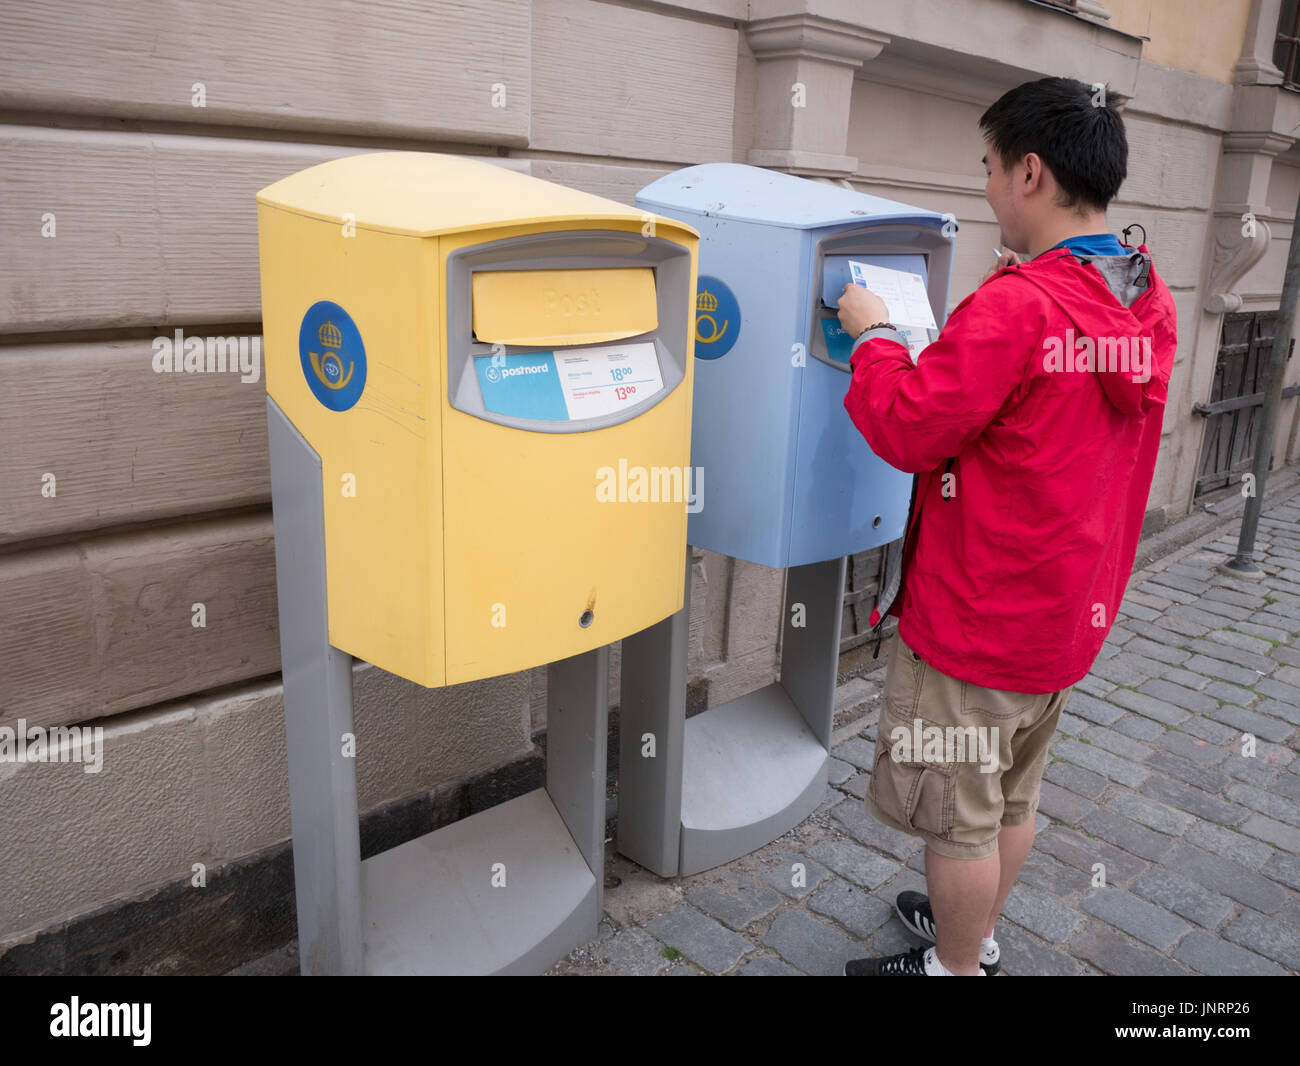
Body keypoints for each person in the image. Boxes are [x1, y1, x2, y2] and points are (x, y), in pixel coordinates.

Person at [835, 76, 1177, 976]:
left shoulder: (1019, 308)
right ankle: (973, 933)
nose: (986, 188)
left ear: (1030, 171)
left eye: (988, 168)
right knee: (1009, 798)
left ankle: (954, 968)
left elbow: (910, 425)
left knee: (959, 819)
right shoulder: (1142, 298)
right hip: (1063, 615)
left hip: (976, 622)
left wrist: (873, 336)